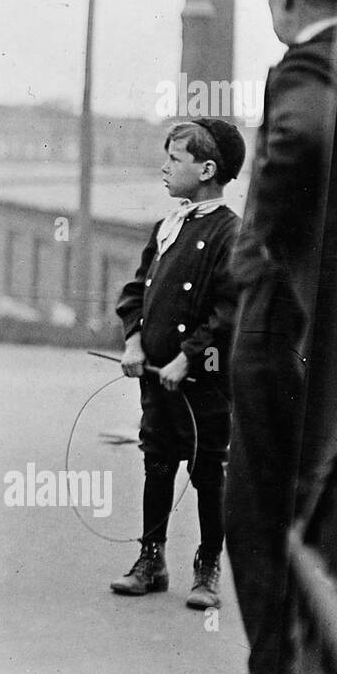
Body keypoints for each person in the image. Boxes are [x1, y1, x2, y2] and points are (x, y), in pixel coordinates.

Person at [226, 0, 337, 674]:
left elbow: (301, 137)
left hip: (277, 329)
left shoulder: (310, 69)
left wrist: (253, 244)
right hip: (322, 326)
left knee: (257, 518)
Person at [112, 119, 245, 610]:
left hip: (204, 382)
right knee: (158, 462)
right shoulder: (168, 226)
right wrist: (134, 343)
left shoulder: (232, 233)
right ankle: (152, 559)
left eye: (176, 159)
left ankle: (207, 566)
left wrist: (189, 359)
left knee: (208, 471)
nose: (165, 167)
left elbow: (229, 310)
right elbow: (136, 291)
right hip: (157, 379)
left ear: (208, 169)